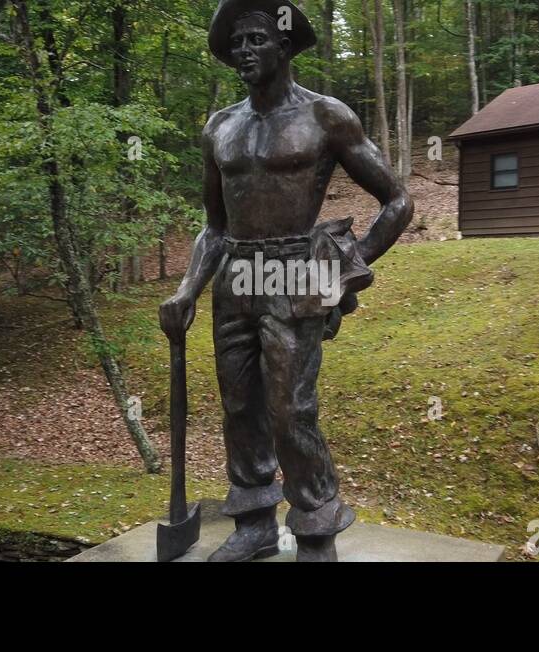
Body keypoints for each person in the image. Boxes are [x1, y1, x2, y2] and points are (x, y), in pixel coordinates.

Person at [159, 0, 413, 562]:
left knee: (290, 409)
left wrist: (346, 268)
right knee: (239, 404)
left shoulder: (327, 118)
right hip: (235, 280)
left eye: (253, 40)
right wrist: (186, 290)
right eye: (235, 45)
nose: (241, 53)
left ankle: (317, 529)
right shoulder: (219, 127)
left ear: (285, 46)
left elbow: (396, 200)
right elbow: (214, 227)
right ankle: (253, 522)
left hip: (297, 276)